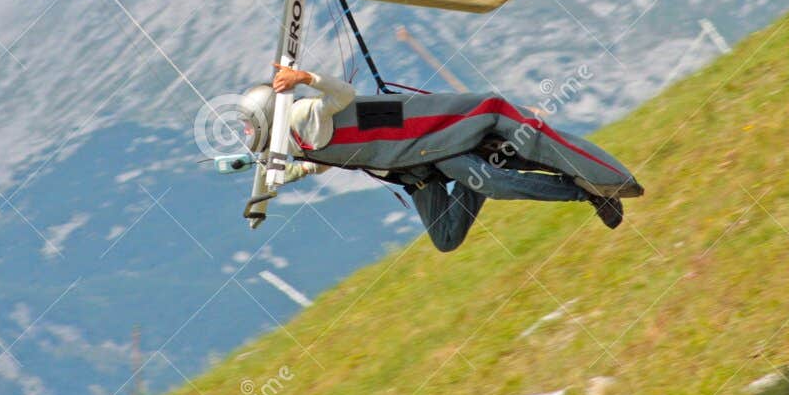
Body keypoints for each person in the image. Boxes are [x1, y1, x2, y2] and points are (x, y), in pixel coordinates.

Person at [240, 64, 634, 253]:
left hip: (427, 144)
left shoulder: (302, 114)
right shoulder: (294, 138)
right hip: (415, 173)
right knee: (446, 238)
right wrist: (290, 175)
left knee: (493, 183)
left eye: (249, 127)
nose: (247, 134)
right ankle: (487, 164)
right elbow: (330, 154)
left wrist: (306, 78)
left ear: (267, 117)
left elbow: (343, 96)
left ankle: (586, 192)